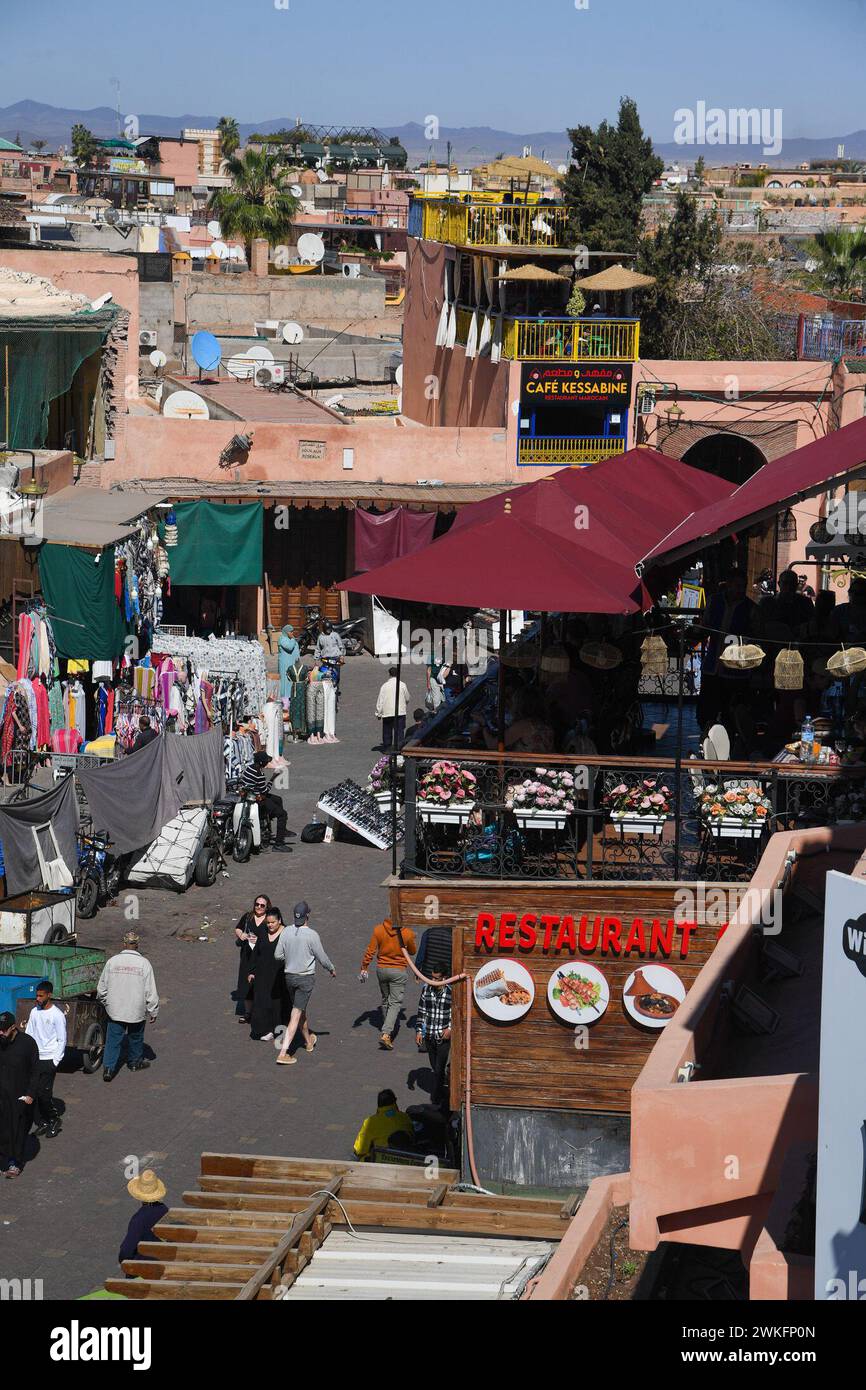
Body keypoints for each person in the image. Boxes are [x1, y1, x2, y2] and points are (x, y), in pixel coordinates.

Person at [275, 901, 336, 1065]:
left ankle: (309, 1042)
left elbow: (278, 955)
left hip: (289, 977)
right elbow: (322, 957)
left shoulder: (286, 931)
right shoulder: (312, 935)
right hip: (305, 979)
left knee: (300, 1010)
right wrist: (331, 968)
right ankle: (283, 1053)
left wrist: (291, 956)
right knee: (295, 1014)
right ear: (307, 915)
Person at [97, 931, 159, 1083]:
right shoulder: (144, 964)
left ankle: (109, 1069)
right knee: (136, 1037)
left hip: (115, 1010)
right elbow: (150, 990)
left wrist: (107, 1003)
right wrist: (153, 1010)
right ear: (137, 945)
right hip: (136, 1010)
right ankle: (134, 1062)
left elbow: (101, 988)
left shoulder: (112, 962)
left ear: (124, 944)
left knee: (113, 1040)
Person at [358, 916, 417, 1050]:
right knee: (395, 1003)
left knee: (386, 999)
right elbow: (412, 951)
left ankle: (387, 1025)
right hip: (398, 971)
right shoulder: (407, 933)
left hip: (382, 970)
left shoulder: (378, 929)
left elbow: (370, 951)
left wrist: (364, 967)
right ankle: (386, 1033)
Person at [25, 979, 66, 1139]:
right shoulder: (34, 1012)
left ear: (49, 995)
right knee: (32, 1093)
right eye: (37, 995)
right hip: (36, 1059)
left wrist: (55, 1061)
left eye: (41, 996)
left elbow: (62, 1039)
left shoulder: (57, 1015)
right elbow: (29, 1033)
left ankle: (54, 1120)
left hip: (49, 1059)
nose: (38, 999)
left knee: (44, 1094)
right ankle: (42, 1122)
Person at [0, 1012, 38, 1177]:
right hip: (2, 1096)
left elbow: (36, 1072)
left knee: (18, 1130)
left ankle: (15, 1163)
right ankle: (3, 1160)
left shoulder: (27, 1043)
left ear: (13, 1027)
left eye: (3, 1030)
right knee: (3, 1129)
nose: (0, 1033)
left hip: (19, 1096)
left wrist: (30, 1094)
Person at [247, 907, 288, 1042]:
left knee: (278, 1004)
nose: (270, 925)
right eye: (268, 923)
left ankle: (280, 1030)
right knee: (262, 1002)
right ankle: (265, 1029)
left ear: (279, 921)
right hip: (262, 974)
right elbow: (256, 953)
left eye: (273, 922)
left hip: (279, 975)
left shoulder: (287, 933)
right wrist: (252, 971)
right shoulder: (263, 932)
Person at [415, 966, 452, 1109]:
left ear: (444, 978)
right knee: (435, 1066)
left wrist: (450, 1028)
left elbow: (455, 1012)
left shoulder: (451, 991)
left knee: (439, 1068)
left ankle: (436, 1098)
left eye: (436, 978)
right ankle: (442, 1091)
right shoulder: (426, 989)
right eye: (432, 977)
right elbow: (422, 1011)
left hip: (443, 1037)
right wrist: (419, 1031)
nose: (433, 980)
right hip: (430, 1035)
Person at [241, 751, 289, 852]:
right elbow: (265, 791)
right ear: (261, 763)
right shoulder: (259, 773)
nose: (268, 763)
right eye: (266, 761)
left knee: (278, 799)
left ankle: (279, 828)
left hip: (249, 796)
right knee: (282, 814)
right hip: (257, 800)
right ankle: (278, 844)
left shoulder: (249, 768)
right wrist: (273, 778)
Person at [118, 1168, 168, 1265]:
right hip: (164, 1262)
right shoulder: (164, 1210)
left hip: (144, 1268)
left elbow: (126, 1251)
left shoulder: (139, 1219)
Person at [233, 894, 271, 1021]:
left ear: (267, 907)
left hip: (262, 956)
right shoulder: (248, 916)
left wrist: (262, 940)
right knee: (246, 984)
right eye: (257, 904)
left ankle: (260, 1011)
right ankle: (248, 1013)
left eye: (262, 905)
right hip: (247, 955)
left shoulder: (269, 919)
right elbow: (237, 928)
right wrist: (242, 935)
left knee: (261, 983)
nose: (259, 907)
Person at [353, 1088, 414, 1161]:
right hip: (404, 1159)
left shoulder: (371, 1122)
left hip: (380, 1160)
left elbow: (360, 1150)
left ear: (378, 1104)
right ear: (395, 1102)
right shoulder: (405, 1117)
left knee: (354, 1157)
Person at [376, 666, 411, 751]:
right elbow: (407, 698)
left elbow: (380, 700)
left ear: (389, 674)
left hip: (387, 712)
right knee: (399, 732)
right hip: (400, 712)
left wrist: (378, 713)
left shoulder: (384, 686)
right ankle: (399, 748)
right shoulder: (402, 685)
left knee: (387, 731)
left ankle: (387, 748)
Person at [315, 621, 345, 696]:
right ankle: (327, 691)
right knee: (326, 675)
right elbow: (318, 649)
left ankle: (336, 690)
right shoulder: (321, 637)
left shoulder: (335, 635)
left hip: (335, 658)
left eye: (330, 629)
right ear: (324, 629)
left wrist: (342, 656)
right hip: (325, 659)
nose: (329, 631)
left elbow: (341, 646)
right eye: (327, 629)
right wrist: (316, 659)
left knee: (336, 675)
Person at [277, 624, 301, 702]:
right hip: (285, 664)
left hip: (292, 663)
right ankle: (284, 699)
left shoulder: (290, 639)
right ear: (286, 632)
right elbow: (290, 647)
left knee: (291, 680)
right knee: (285, 681)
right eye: (291, 632)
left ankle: (290, 697)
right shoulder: (282, 639)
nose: (292, 633)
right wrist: (293, 640)